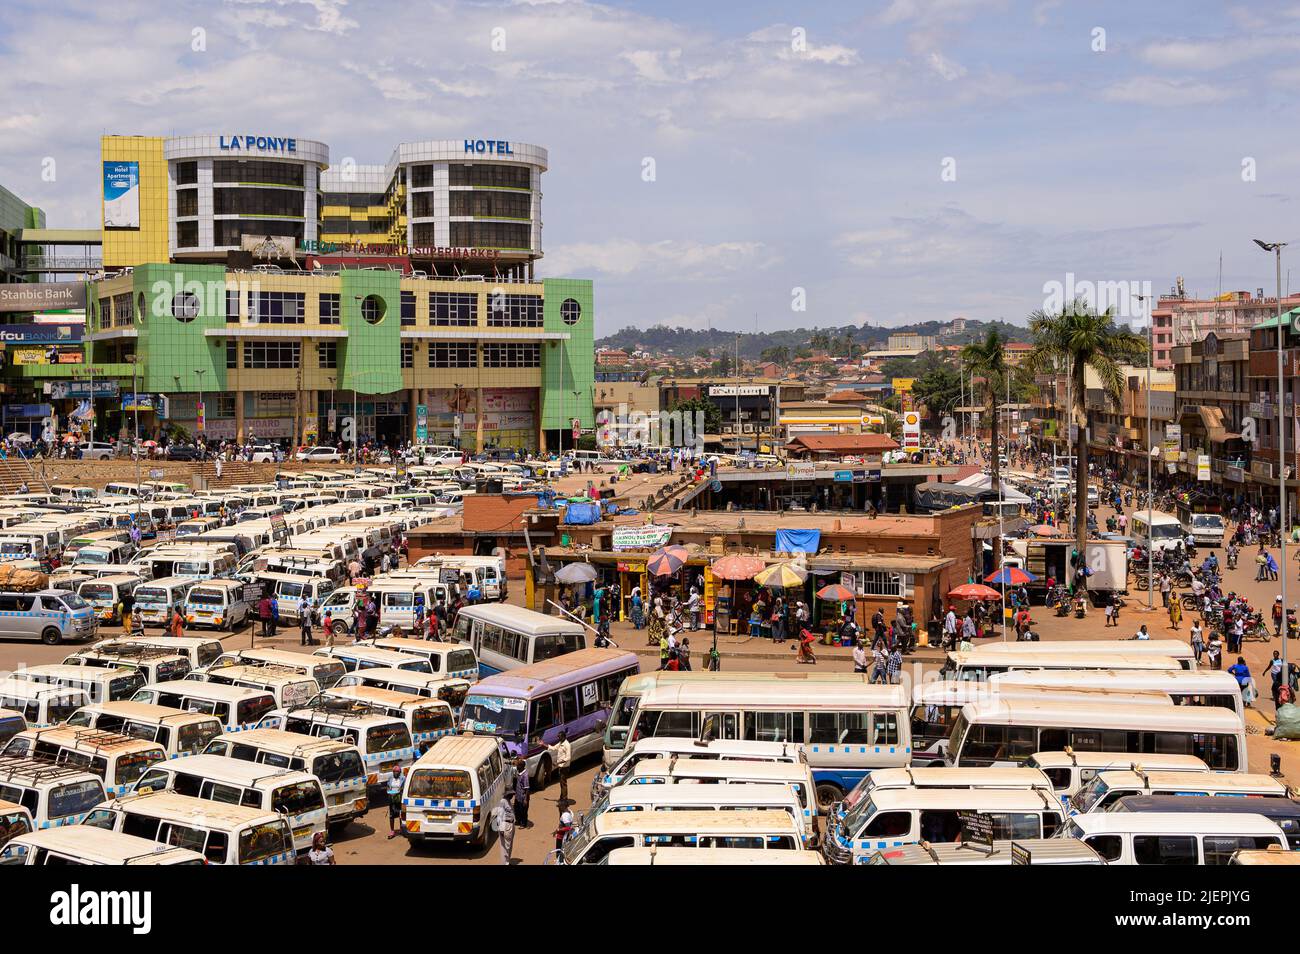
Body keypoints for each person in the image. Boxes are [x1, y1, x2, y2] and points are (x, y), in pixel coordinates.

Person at [491, 792, 516, 865]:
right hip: (505, 825)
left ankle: (507, 862)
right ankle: (505, 863)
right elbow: (499, 816)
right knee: (505, 847)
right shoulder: (503, 801)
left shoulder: (508, 801)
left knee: (509, 846)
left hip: (510, 824)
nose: (512, 795)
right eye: (511, 794)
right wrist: (501, 829)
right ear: (507, 794)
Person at [547, 731, 572, 803]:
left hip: (564, 767)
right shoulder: (561, 743)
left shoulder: (567, 745)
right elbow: (553, 748)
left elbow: (568, 757)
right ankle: (562, 797)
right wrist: (543, 744)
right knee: (561, 783)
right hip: (561, 767)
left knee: (563, 783)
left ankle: (564, 799)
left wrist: (557, 763)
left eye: (559, 737)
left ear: (563, 737)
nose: (558, 738)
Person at [385, 766, 404, 839]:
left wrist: (399, 792)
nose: (395, 773)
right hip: (392, 799)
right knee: (391, 815)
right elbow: (387, 787)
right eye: (394, 771)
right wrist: (388, 792)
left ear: (400, 772)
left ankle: (401, 829)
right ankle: (392, 831)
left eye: (397, 772)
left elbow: (405, 788)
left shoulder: (403, 778)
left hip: (400, 799)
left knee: (400, 815)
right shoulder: (390, 778)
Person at [513, 758, 530, 828]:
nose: (516, 767)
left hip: (523, 797)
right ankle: (518, 820)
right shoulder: (519, 772)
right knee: (516, 809)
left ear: (521, 766)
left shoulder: (525, 776)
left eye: (517, 766)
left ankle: (523, 823)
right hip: (518, 796)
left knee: (523, 811)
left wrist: (526, 799)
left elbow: (527, 788)